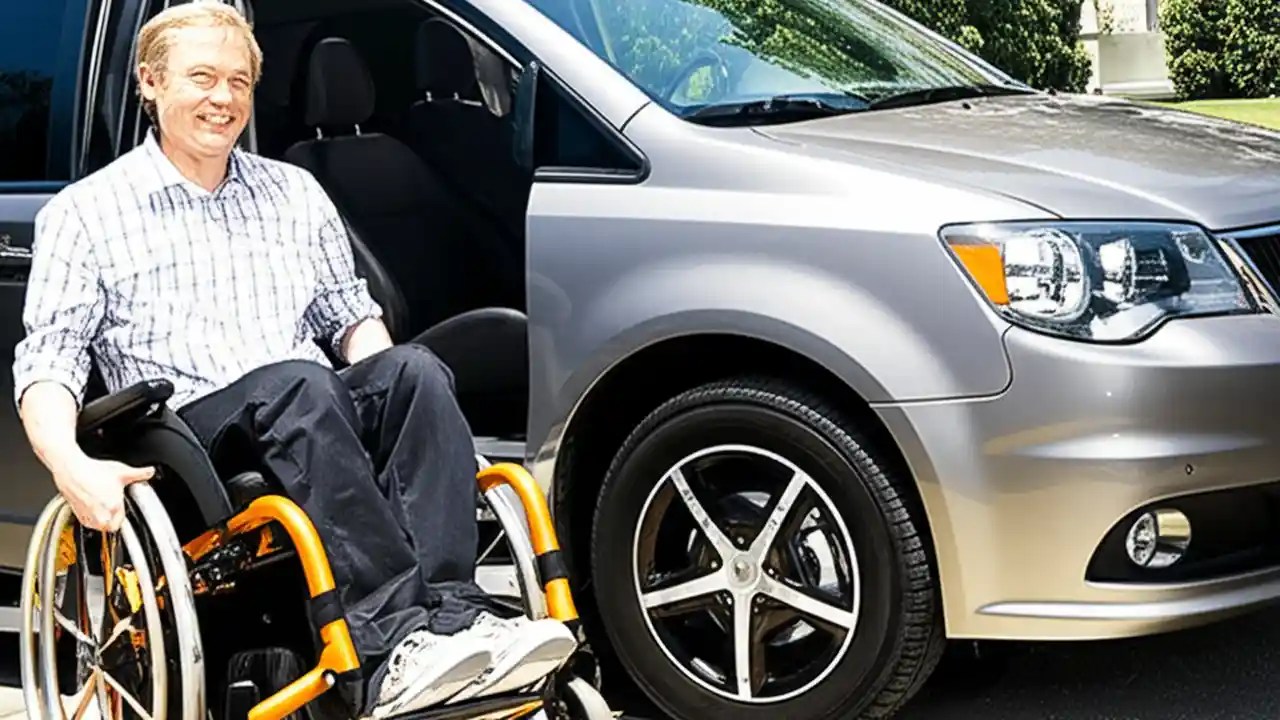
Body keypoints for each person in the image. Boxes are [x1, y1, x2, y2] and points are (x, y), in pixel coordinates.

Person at [10, 2, 575, 717]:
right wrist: (73, 466)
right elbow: (49, 363)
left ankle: (456, 621)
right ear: (150, 83)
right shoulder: (86, 214)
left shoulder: (293, 191)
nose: (224, 100)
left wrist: (401, 402)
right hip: (196, 439)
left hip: (310, 409)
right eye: (203, 78)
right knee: (299, 385)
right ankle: (391, 640)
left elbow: (349, 317)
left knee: (416, 371)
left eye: (240, 82)